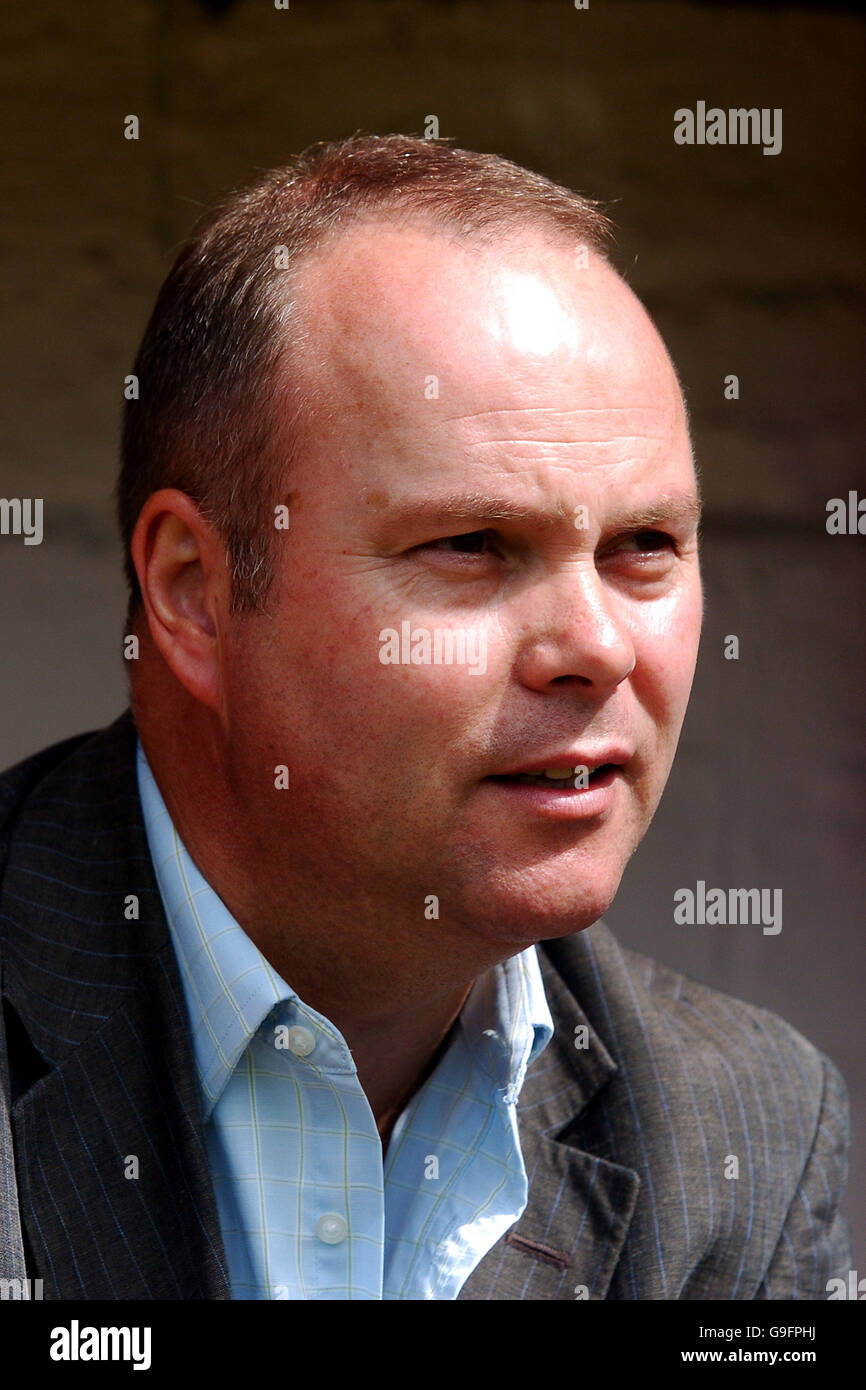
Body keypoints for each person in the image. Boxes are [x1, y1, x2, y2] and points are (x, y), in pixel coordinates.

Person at [0, 134, 851, 1301]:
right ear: (195, 592)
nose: (597, 647)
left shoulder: (740, 1126)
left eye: (642, 546)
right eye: (470, 547)